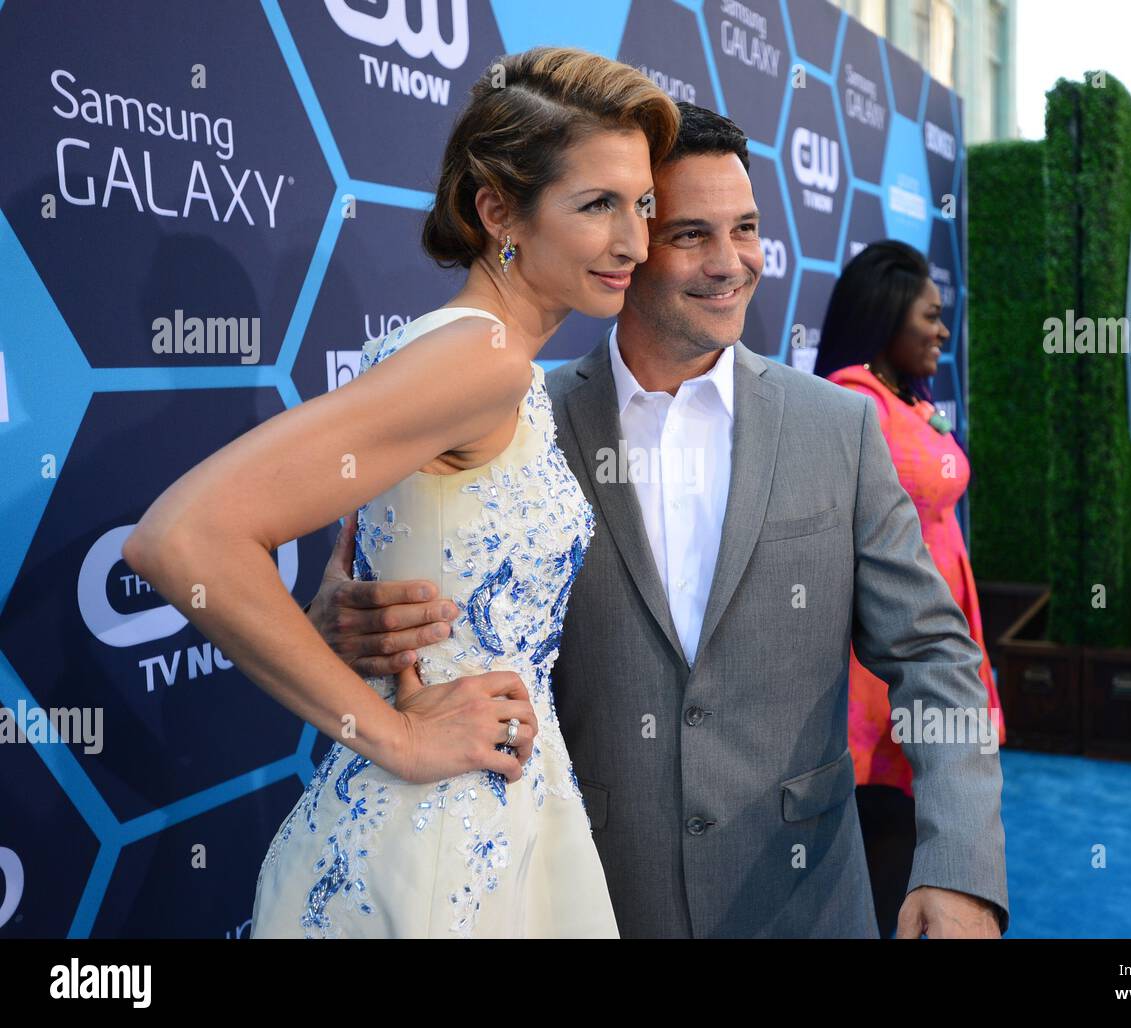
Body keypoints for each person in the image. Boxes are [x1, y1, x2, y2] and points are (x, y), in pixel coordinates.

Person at [308, 102, 1009, 938]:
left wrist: (960, 861)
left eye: (745, 229)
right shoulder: (520, 422)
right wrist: (340, 628)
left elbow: (933, 650)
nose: (732, 264)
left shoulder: (839, 429)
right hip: (591, 896)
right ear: (629, 247)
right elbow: (432, 620)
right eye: (690, 235)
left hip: (804, 902)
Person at [122, 46, 680, 938]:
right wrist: (402, 739)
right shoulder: (480, 359)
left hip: (483, 821)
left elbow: (396, 558)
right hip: (436, 842)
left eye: (641, 205)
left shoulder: (484, 358)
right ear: (498, 209)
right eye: (598, 205)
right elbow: (181, 537)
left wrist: (329, 618)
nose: (634, 243)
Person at [811, 239, 1005, 938]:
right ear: (887, 313)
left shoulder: (906, 401)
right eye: (930, 314)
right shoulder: (845, 400)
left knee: (926, 797)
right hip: (883, 650)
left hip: (941, 623)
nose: (943, 331)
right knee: (886, 806)